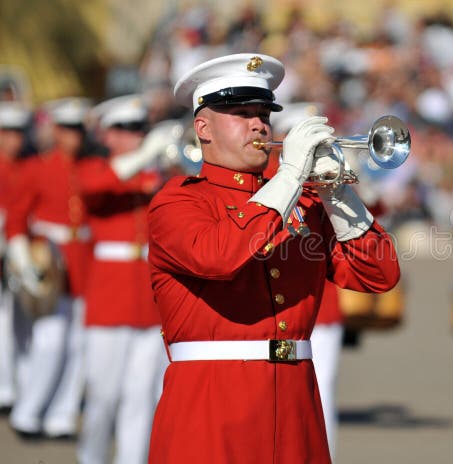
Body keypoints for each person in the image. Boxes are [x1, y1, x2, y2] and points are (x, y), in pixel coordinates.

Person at [147, 53, 401, 463]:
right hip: (212, 402)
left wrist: (336, 192)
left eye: (264, 113)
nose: (258, 125)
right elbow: (221, 256)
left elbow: (379, 274)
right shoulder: (177, 201)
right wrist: (289, 176)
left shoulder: (299, 202)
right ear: (203, 127)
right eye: (241, 113)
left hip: (295, 401)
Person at [75, 94, 176, 464]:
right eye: (127, 129)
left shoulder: (157, 174)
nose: (136, 135)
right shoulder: (92, 167)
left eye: (140, 129)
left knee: (142, 394)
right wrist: (147, 153)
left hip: (149, 300)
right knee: (103, 394)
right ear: (108, 135)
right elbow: (94, 189)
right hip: (110, 297)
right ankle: (91, 458)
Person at [5, 97, 94, 438]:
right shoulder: (37, 168)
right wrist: (23, 259)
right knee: (49, 341)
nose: (75, 135)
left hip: (84, 260)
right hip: (50, 260)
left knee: (77, 344)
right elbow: (15, 220)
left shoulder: (89, 166)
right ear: (55, 130)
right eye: (68, 128)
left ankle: (62, 415)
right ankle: (28, 411)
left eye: (79, 128)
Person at [272, 102, 346, 460]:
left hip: (323, 304)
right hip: (281, 307)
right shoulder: (274, 181)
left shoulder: (322, 184)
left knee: (322, 389)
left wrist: (344, 185)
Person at [0, 101, 31, 414]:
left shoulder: (25, 166)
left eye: (18, 133)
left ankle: (14, 387)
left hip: (16, 249)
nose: (14, 139)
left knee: (17, 320)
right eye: (7, 132)